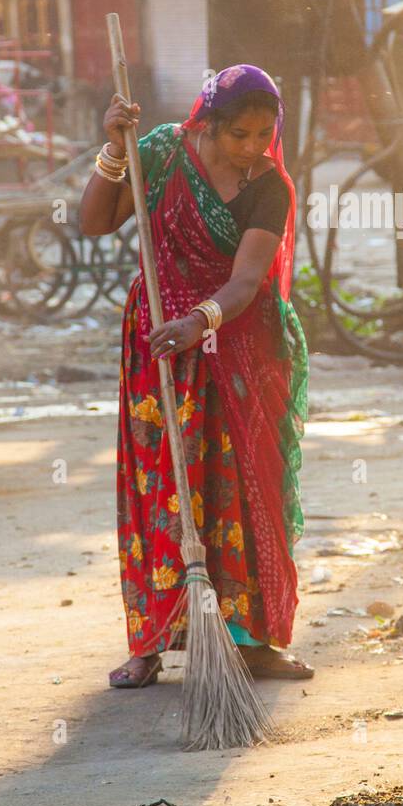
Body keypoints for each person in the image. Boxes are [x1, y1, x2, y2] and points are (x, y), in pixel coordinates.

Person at [79, 64, 312, 686]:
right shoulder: (156, 153)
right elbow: (96, 223)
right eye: (240, 134)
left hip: (238, 343)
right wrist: (111, 149)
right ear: (205, 124)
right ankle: (151, 637)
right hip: (158, 340)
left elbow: (246, 280)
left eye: (266, 133)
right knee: (162, 486)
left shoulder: (270, 186)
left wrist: (200, 320)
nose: (253, 147)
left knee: (242, 480)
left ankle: (252, 638)